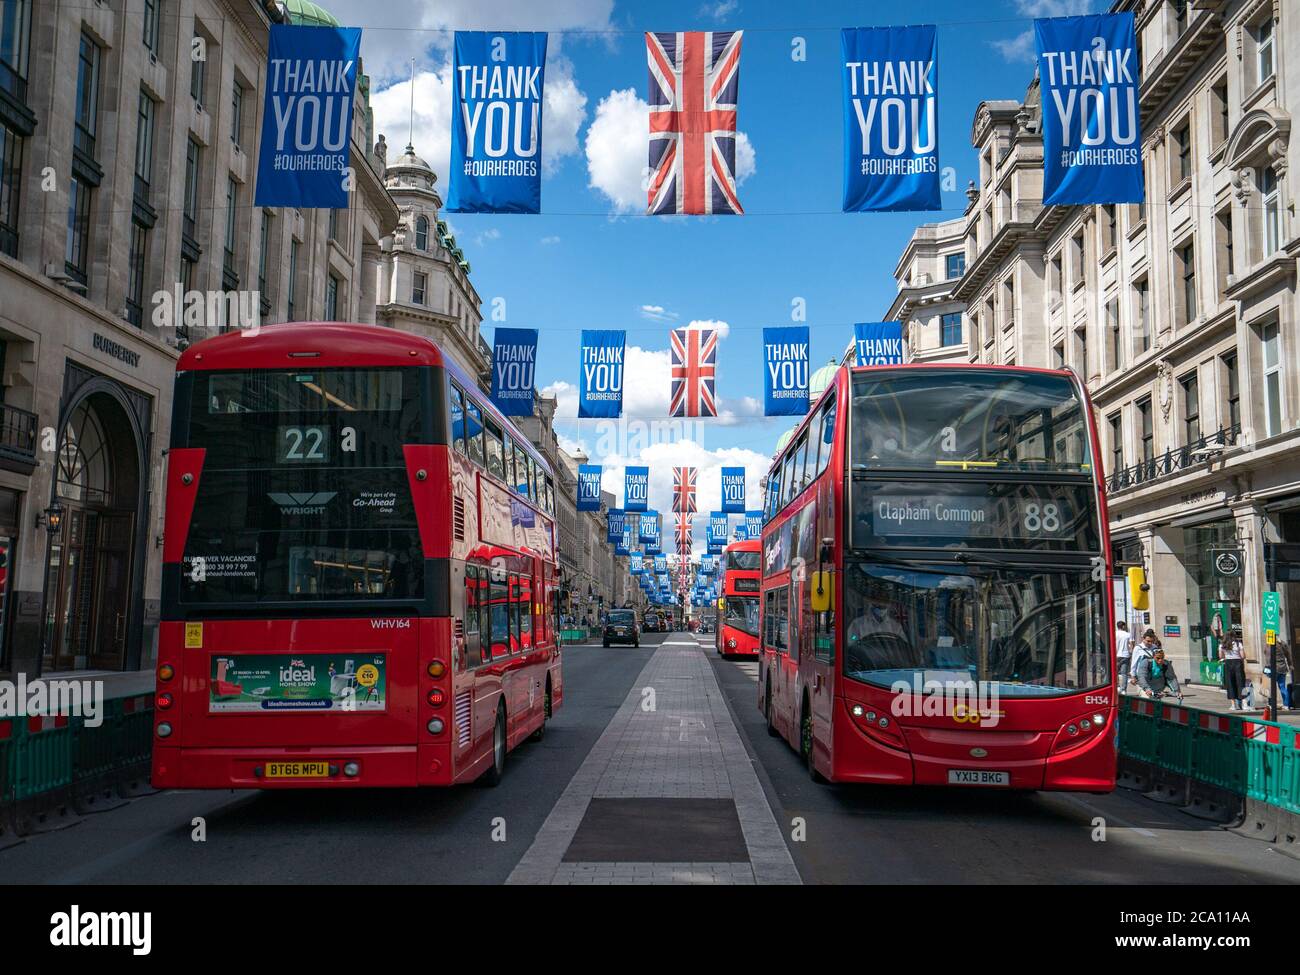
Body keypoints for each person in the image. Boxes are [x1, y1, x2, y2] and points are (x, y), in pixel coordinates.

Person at [1220, 626, 1247, 710]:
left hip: (1228, 663)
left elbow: (1220, 656)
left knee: (1230, 684)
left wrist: (1226, 655)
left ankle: (1233, 705)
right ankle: (1244, 703)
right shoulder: (1238, 643)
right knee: (1241, 683)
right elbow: (1243, 656)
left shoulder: (1222, 645)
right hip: (1238, 663)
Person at [1115, 621, 1134, 685]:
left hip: (1116, 655)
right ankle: (1123, 689)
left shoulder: (1114, 633)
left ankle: (1117, 686)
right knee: (1124, 673)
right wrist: (1131, 653)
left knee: (1115, 672)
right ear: (1123, 626)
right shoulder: (1128, 634)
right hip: (1126, 655)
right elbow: (1131, 645)